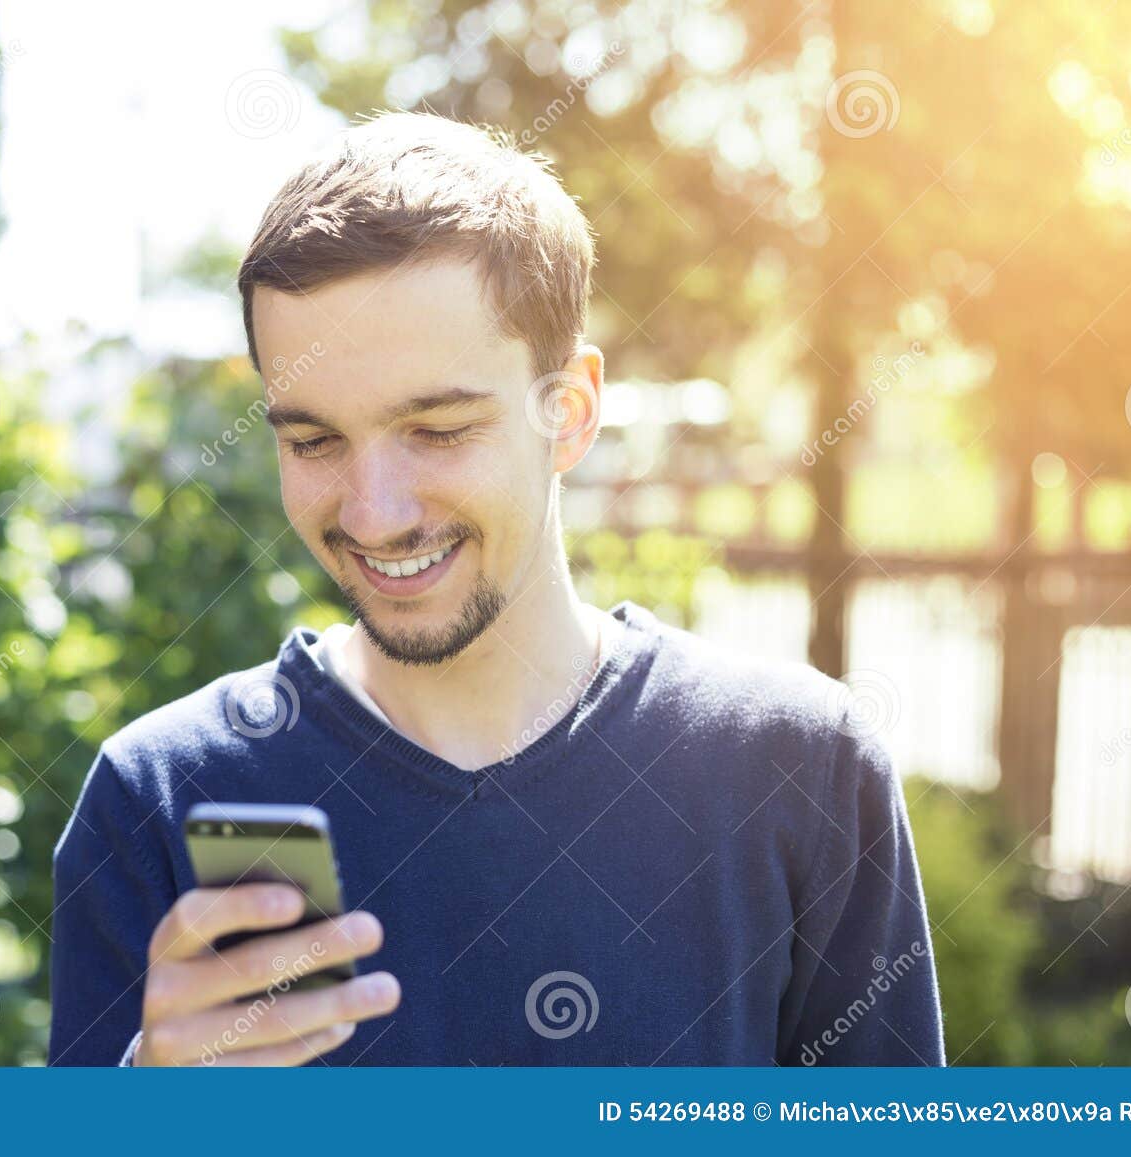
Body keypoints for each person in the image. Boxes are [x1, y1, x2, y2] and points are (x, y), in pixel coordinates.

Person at [49, 110, 945, 1067]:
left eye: (438, 431)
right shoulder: (154, 800)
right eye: (313, 441)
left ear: (571, 412)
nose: (375, 513)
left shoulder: (799, 772)